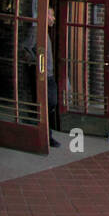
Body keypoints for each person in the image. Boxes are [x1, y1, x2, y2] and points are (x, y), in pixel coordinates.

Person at [46, 9, 60, 148]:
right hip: (44, 76)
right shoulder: (36, 32)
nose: (54, 18)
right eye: (51, 14)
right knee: (49, 103)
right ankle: (46, 136)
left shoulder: (47, 34)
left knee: (52, 103)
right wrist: (38, 65)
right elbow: (25, 49)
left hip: (49, 75)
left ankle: (47, 135)